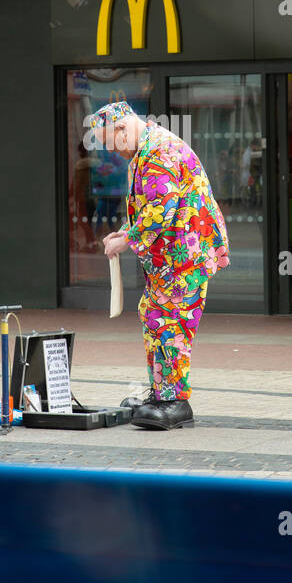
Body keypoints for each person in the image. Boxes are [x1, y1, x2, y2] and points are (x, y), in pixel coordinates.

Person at [93, 101, 229, 430]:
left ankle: (175, 401)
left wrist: (127, 239)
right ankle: (161, 392)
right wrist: (127, 233)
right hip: (175, 256)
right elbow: (150, 211)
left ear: (123, 129)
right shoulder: (148, 150)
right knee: (155, 315)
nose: (113, 152)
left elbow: (159, 210)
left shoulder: (159, 151)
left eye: (112, 144)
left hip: (186, 256)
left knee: (170, 322)